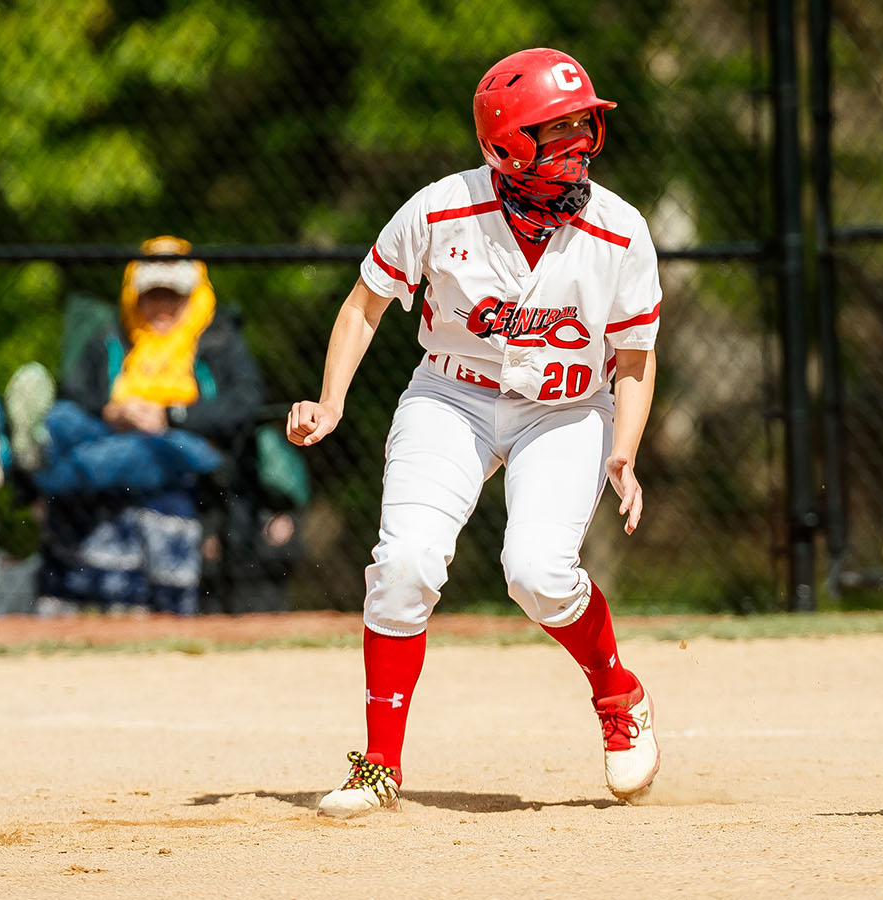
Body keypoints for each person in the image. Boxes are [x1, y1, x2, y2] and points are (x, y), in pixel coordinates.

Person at [286, 48, 664, 818]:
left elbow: (633, 357)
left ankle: (617, 692)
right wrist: (330, 402)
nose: (578, 142)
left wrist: (624, 451)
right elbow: (363, 306)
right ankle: (379, 767)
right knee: (405, 563)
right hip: (451, 396)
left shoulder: (620, 229)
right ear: (505, 144)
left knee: (536, 573)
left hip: (566, 409)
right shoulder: (440, 209)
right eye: (554, 129)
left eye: (583, 124)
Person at [0, 235, 265, 615]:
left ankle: (11, 464)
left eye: (172, 296)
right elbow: (76, 395)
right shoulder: (112, 336)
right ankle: (15, 447)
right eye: (151, 295)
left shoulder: (220, 339)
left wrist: (168, 415)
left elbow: (245, 405)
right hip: (112, 427)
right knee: (62, 419)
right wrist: (112, 411)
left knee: (130, 452)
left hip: (186, 442)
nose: (161, 306)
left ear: (193, 296)